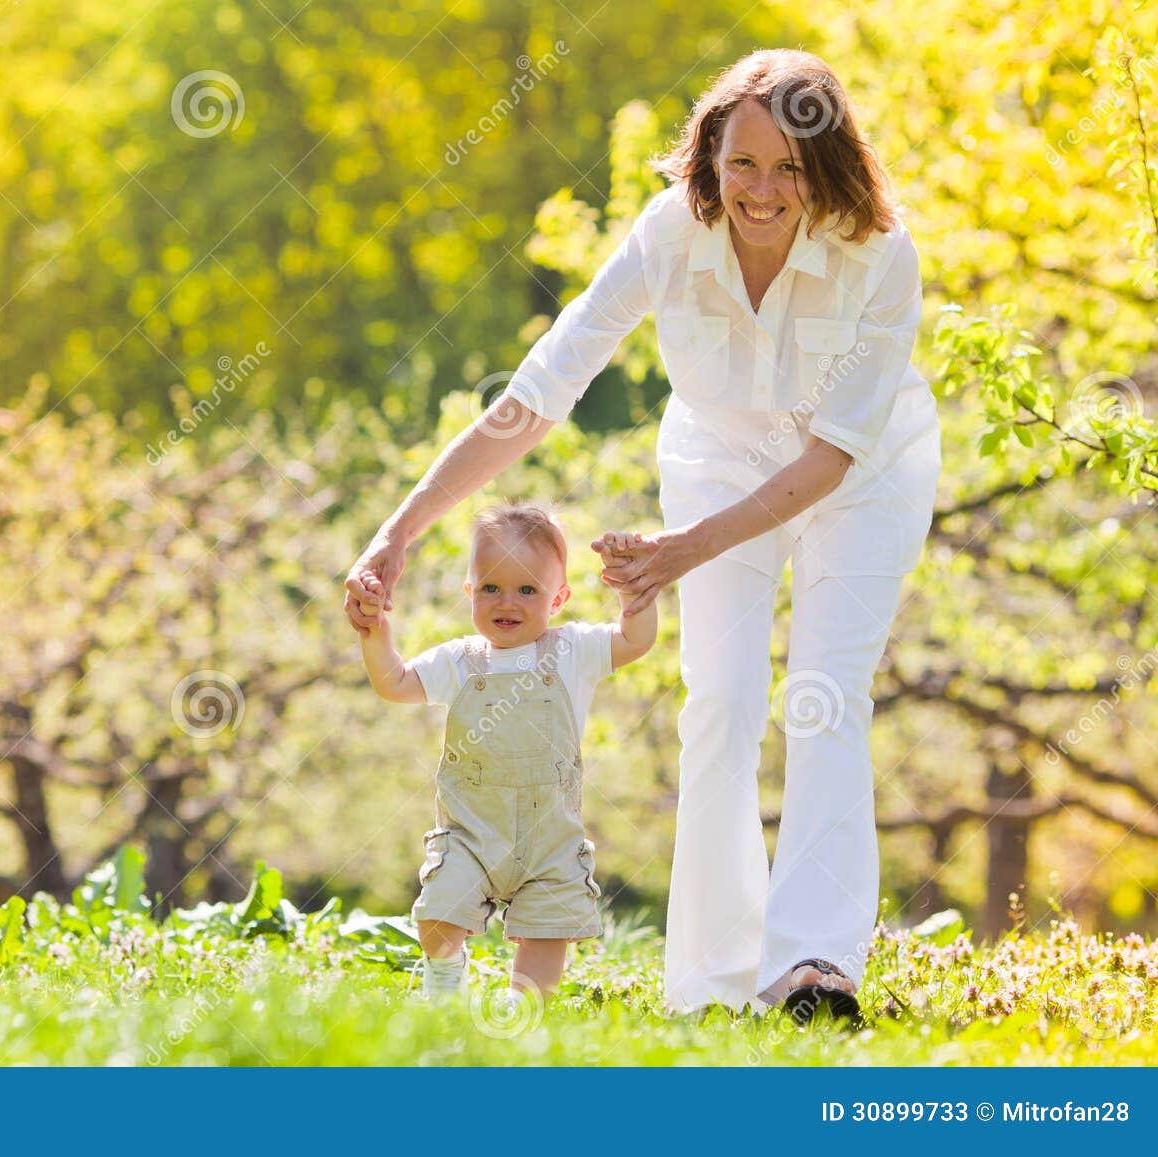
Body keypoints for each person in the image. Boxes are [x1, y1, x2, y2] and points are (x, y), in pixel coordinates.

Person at [345, 49, 940, 1025]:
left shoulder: (880, 252)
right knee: (721, 701)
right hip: (719, 460)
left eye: (789, 167)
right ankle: (714, 980)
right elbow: (535, 395)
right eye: (740, 162)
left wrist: (683, 547)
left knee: (823, 698)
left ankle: (814, 969)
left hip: (860, 478)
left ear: (826, 168)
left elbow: (829, 460)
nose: (760, 189)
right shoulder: (669, 233)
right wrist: (397, 532)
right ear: (707, 158)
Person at [354, 502, 657, 999]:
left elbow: (635, 640)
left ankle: (517, 1015)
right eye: (491, 587)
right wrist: (375, 633)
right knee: (436, 919)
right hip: (471, 833)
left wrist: (634, 591)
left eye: (527, 590)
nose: (507, 602)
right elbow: (396, 683)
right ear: (469, 592)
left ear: (558, 598)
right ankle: (445, 981)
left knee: (545, 941)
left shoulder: (572, 651)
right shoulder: (458, 659)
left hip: (549, 841)